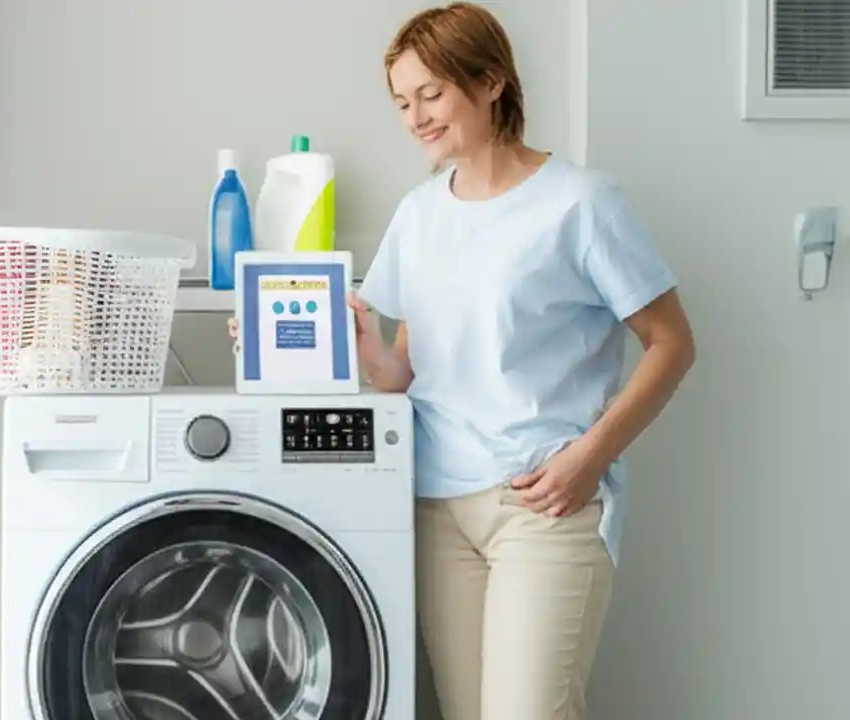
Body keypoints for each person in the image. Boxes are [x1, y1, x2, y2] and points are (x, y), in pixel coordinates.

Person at [229, 3, 696, 718]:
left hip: (540, 505)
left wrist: (590, 457)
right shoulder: (420, 213)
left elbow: (672, 344)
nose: (415, 117)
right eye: (401, 102)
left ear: (490, 82)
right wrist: (348, 344)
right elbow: (406, 374)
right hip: (436, 505)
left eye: (431, 94)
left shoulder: (580, 203)